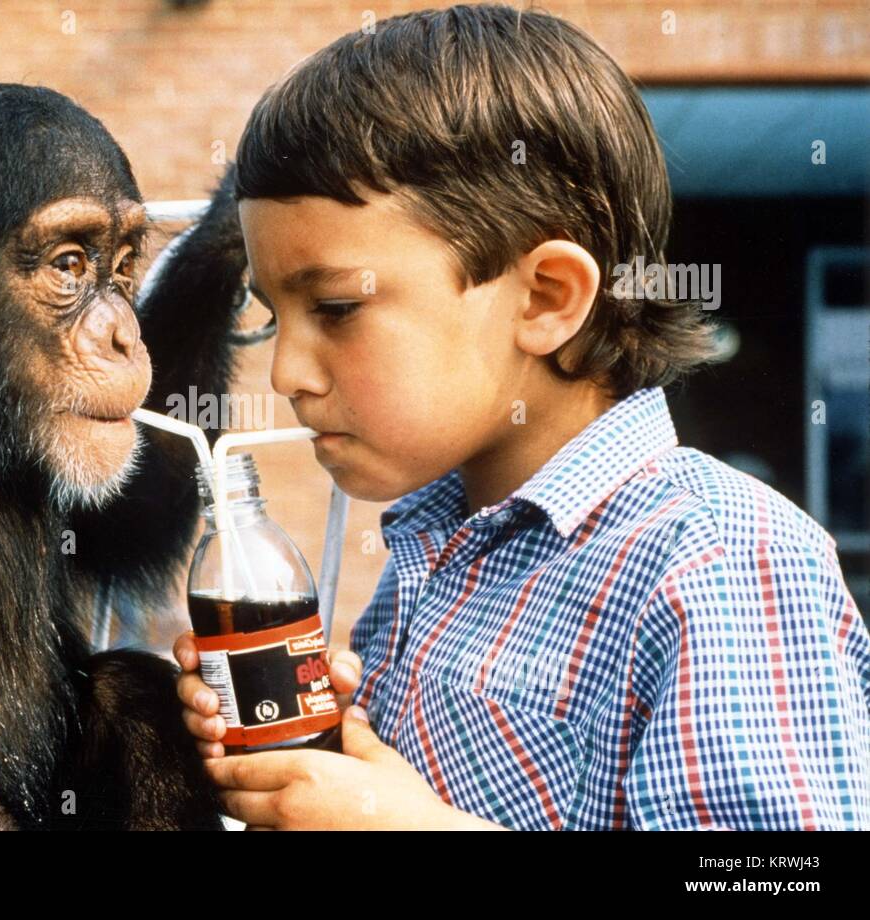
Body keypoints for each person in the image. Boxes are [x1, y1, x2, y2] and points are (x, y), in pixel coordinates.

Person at [172, 4, 870, 830]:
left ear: (544, 299)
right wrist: (325, 754)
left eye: (334, 306)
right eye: (271, 318)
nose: (286, 371)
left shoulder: (721, 562)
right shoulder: (428, 552)